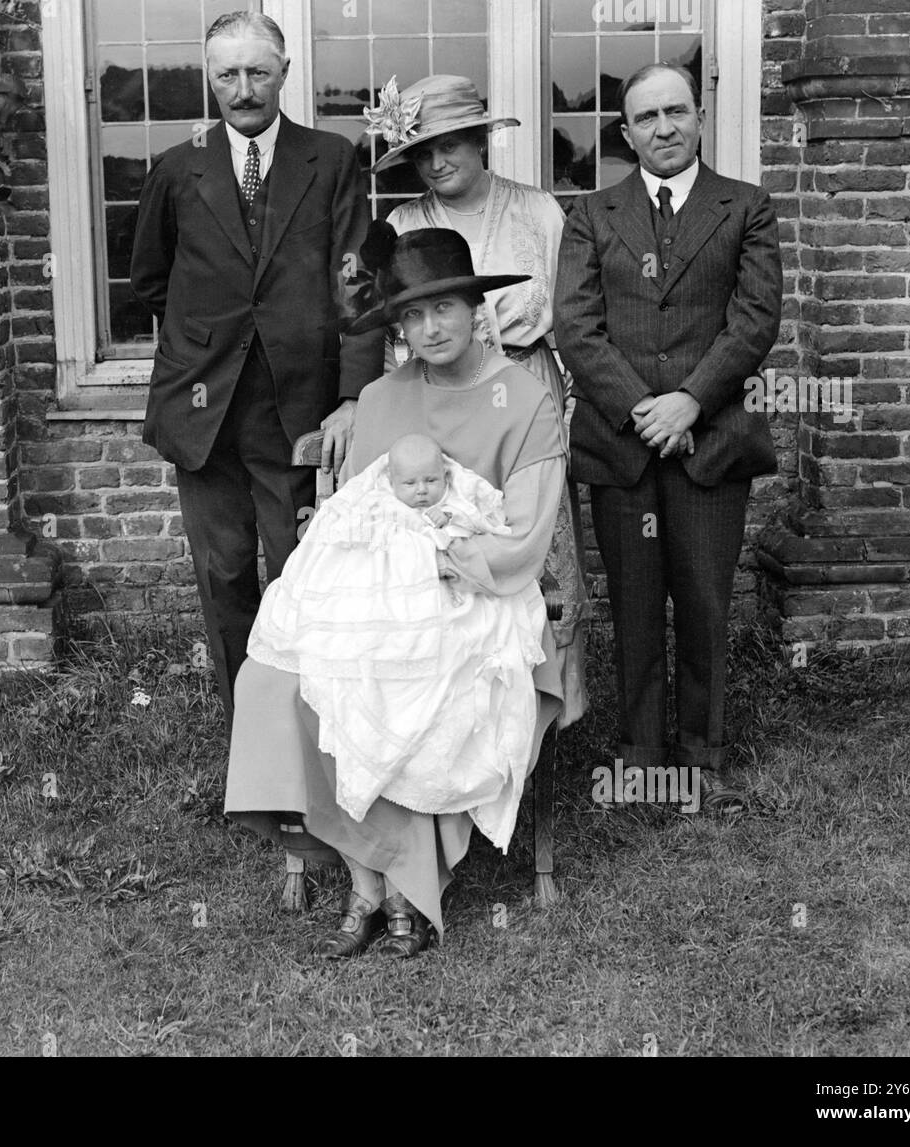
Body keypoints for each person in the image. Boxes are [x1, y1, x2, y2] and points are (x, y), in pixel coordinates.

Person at [227, 227, 572, 959]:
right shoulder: (382, 397)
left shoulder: (525, 398)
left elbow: (527, 533)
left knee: (413, 675)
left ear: (476, 307)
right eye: (410, 317)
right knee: (275, 676)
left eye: (443, 308)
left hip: (482, 587)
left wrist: (450, 563)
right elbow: (359, 516)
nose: (428, 329)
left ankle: (396, 885)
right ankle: (368, 878)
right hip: (381, 593)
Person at [128, 11, 381, 719]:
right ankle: (252, 737)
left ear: (285, 73)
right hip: (204, 414)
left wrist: (351, 397)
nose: (243, 90)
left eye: (258, 72)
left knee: (302, 571)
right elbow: (150, 282)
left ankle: (310, 729)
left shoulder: (330, 160)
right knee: (225, 574)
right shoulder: (179, 168)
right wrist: (206, 334)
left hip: (295, 411)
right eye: (227, 75)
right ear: (209, 78)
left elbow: (356, 288)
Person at [553, 64, 783, 810]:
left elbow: (755, 320)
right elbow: (576, 328)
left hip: (711, 441)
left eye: (676, 112)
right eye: (646, 117)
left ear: (700, 116)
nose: (664, 128)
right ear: (626, 133)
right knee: (635, 601)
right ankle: (642, 754)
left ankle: (702, 757)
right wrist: (641, 409)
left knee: (707, 604)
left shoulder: (746, 207)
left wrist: (688, 402)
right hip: (622, 445)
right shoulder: (592, 213)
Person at [365, 71, 590, 723]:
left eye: (452, 144)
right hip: (434, 394)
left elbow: (571, 323)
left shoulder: (538, 211)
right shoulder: (404, 221)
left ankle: (545, 705)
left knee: (535, 543)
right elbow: (390, 338)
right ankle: (453, 710)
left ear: (480, 141)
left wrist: (566, 412)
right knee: (451, 534)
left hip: (524, 386)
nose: (438, 162)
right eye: (423, 152)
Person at [246, 430, 545, 851]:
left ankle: (414, 844)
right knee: (360, 665)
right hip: (389, 610)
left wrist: (452, 522)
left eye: (431, 482)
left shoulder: (452, 500)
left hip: (448, 599)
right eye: (410, 484)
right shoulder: (377, 506)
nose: (422, 492)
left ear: (445, 476)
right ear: (391, 482)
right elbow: (353, 546)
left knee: (456, 659)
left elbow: (480, 521)